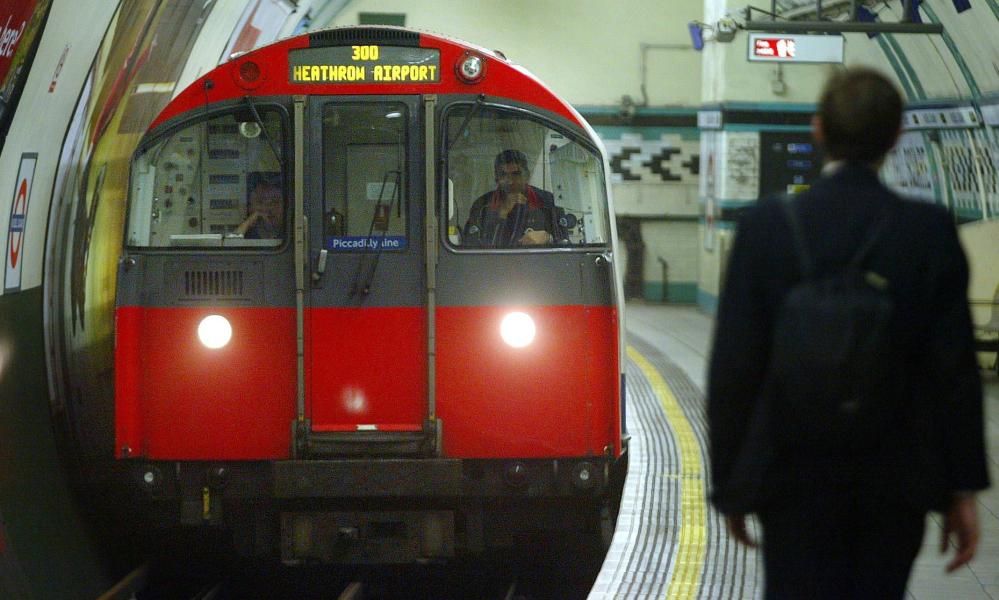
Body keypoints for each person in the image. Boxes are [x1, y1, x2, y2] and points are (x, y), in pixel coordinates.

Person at [707, 67, 989, 599]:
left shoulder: (767, 227)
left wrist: (731, 485)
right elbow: (953, 370)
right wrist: (961, 488)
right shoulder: (927, 231)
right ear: (896, 136)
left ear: (818, 130)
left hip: (792, 475)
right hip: (894, 476)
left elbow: (735, 367)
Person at [462, 149, 564, 247]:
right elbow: (470, 245)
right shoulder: (482, 205)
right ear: (496, 178)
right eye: (503, 175)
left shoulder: (547, 201)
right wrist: (502, 213)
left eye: (516, 174)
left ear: (527, 175)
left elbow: (565, 241)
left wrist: (548, 238)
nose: (510, 181)